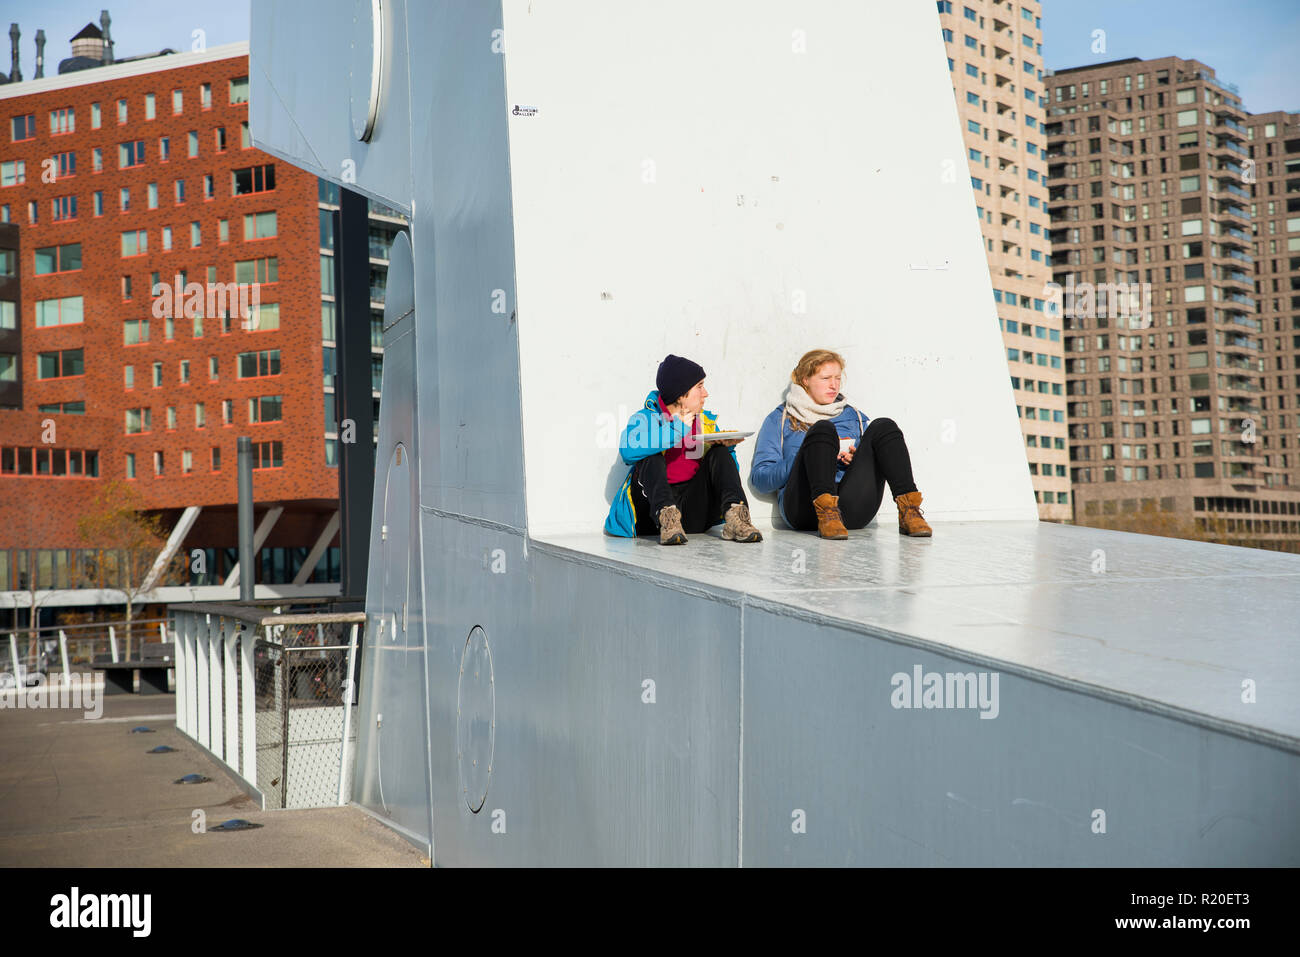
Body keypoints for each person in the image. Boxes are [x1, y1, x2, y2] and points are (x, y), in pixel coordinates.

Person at [749, 349, 932, 538]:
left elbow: (867, 468)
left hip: (850, 511)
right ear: (805, 380)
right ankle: (826, 512)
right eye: (826, 378)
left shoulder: (854, 416)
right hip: (804, 511)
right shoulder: (780, 419)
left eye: (837, 378)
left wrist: (854, 459)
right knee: (823, 430)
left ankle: (909, 510)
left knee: (884, 426)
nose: (833, 385)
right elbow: (760, 480)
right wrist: (805, 456)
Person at [605, 355, 763, 545]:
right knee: (650, 456)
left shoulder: (705, 421)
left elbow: (724, 476)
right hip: (651, 517)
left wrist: (727, 448)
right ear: (681, 394)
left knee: (719, 453)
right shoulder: (645, 418)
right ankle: (668, 519)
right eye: (699, 386)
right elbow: (628, 451)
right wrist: (676, 429)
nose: (705, 393)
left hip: (692, 512)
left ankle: (738, 519)